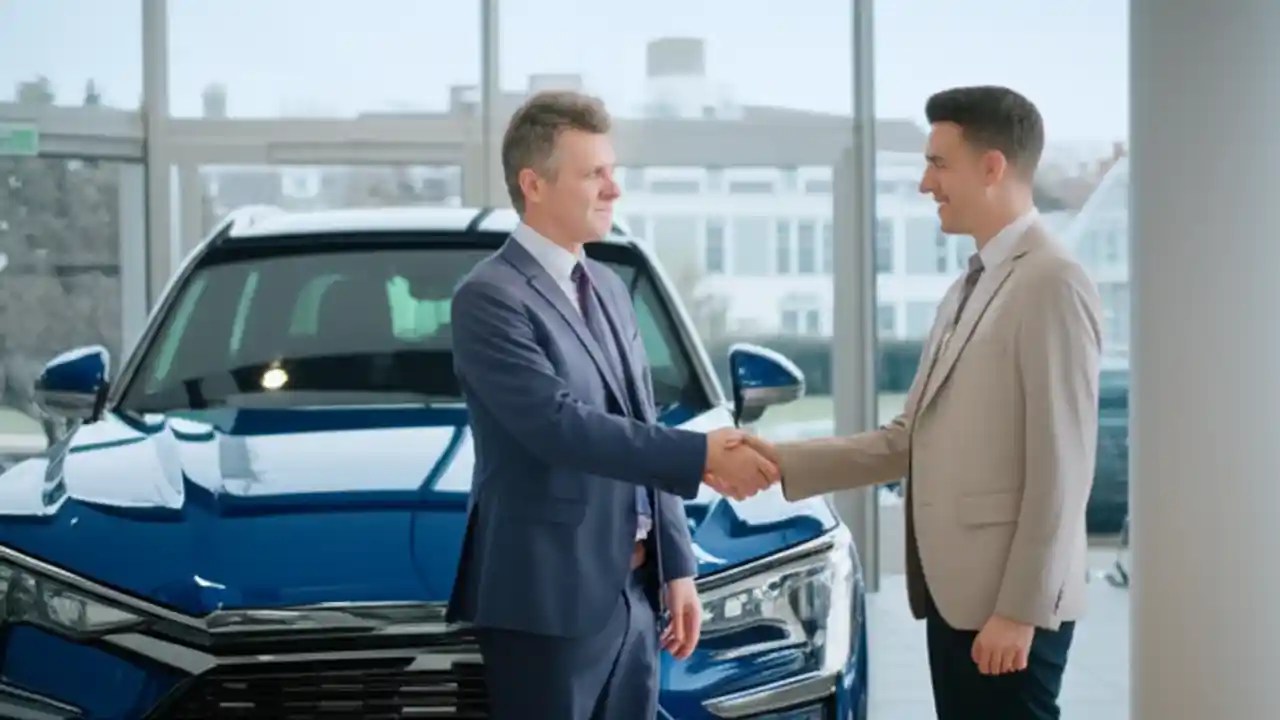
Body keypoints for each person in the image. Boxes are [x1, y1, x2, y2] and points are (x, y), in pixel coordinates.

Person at [730, 86, 1102, 719]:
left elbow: (1062, 467)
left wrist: (1018, 610)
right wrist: (779, 461)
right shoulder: (969, 286)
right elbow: (907, 439)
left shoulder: (1051, 282)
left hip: (1006, 607)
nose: (926, 183)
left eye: (938, 163)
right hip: (958, 596)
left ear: (992, 167)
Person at [446, 90, 778, 720]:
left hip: (634, 597)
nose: (613, 189)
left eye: (612, 171)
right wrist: (703, 455)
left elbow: (640, 422)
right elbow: (558, 426)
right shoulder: (489, 297)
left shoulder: (607, 287)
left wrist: (676, 564)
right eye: (593, 173)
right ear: (533, 184)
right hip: (547, 600)